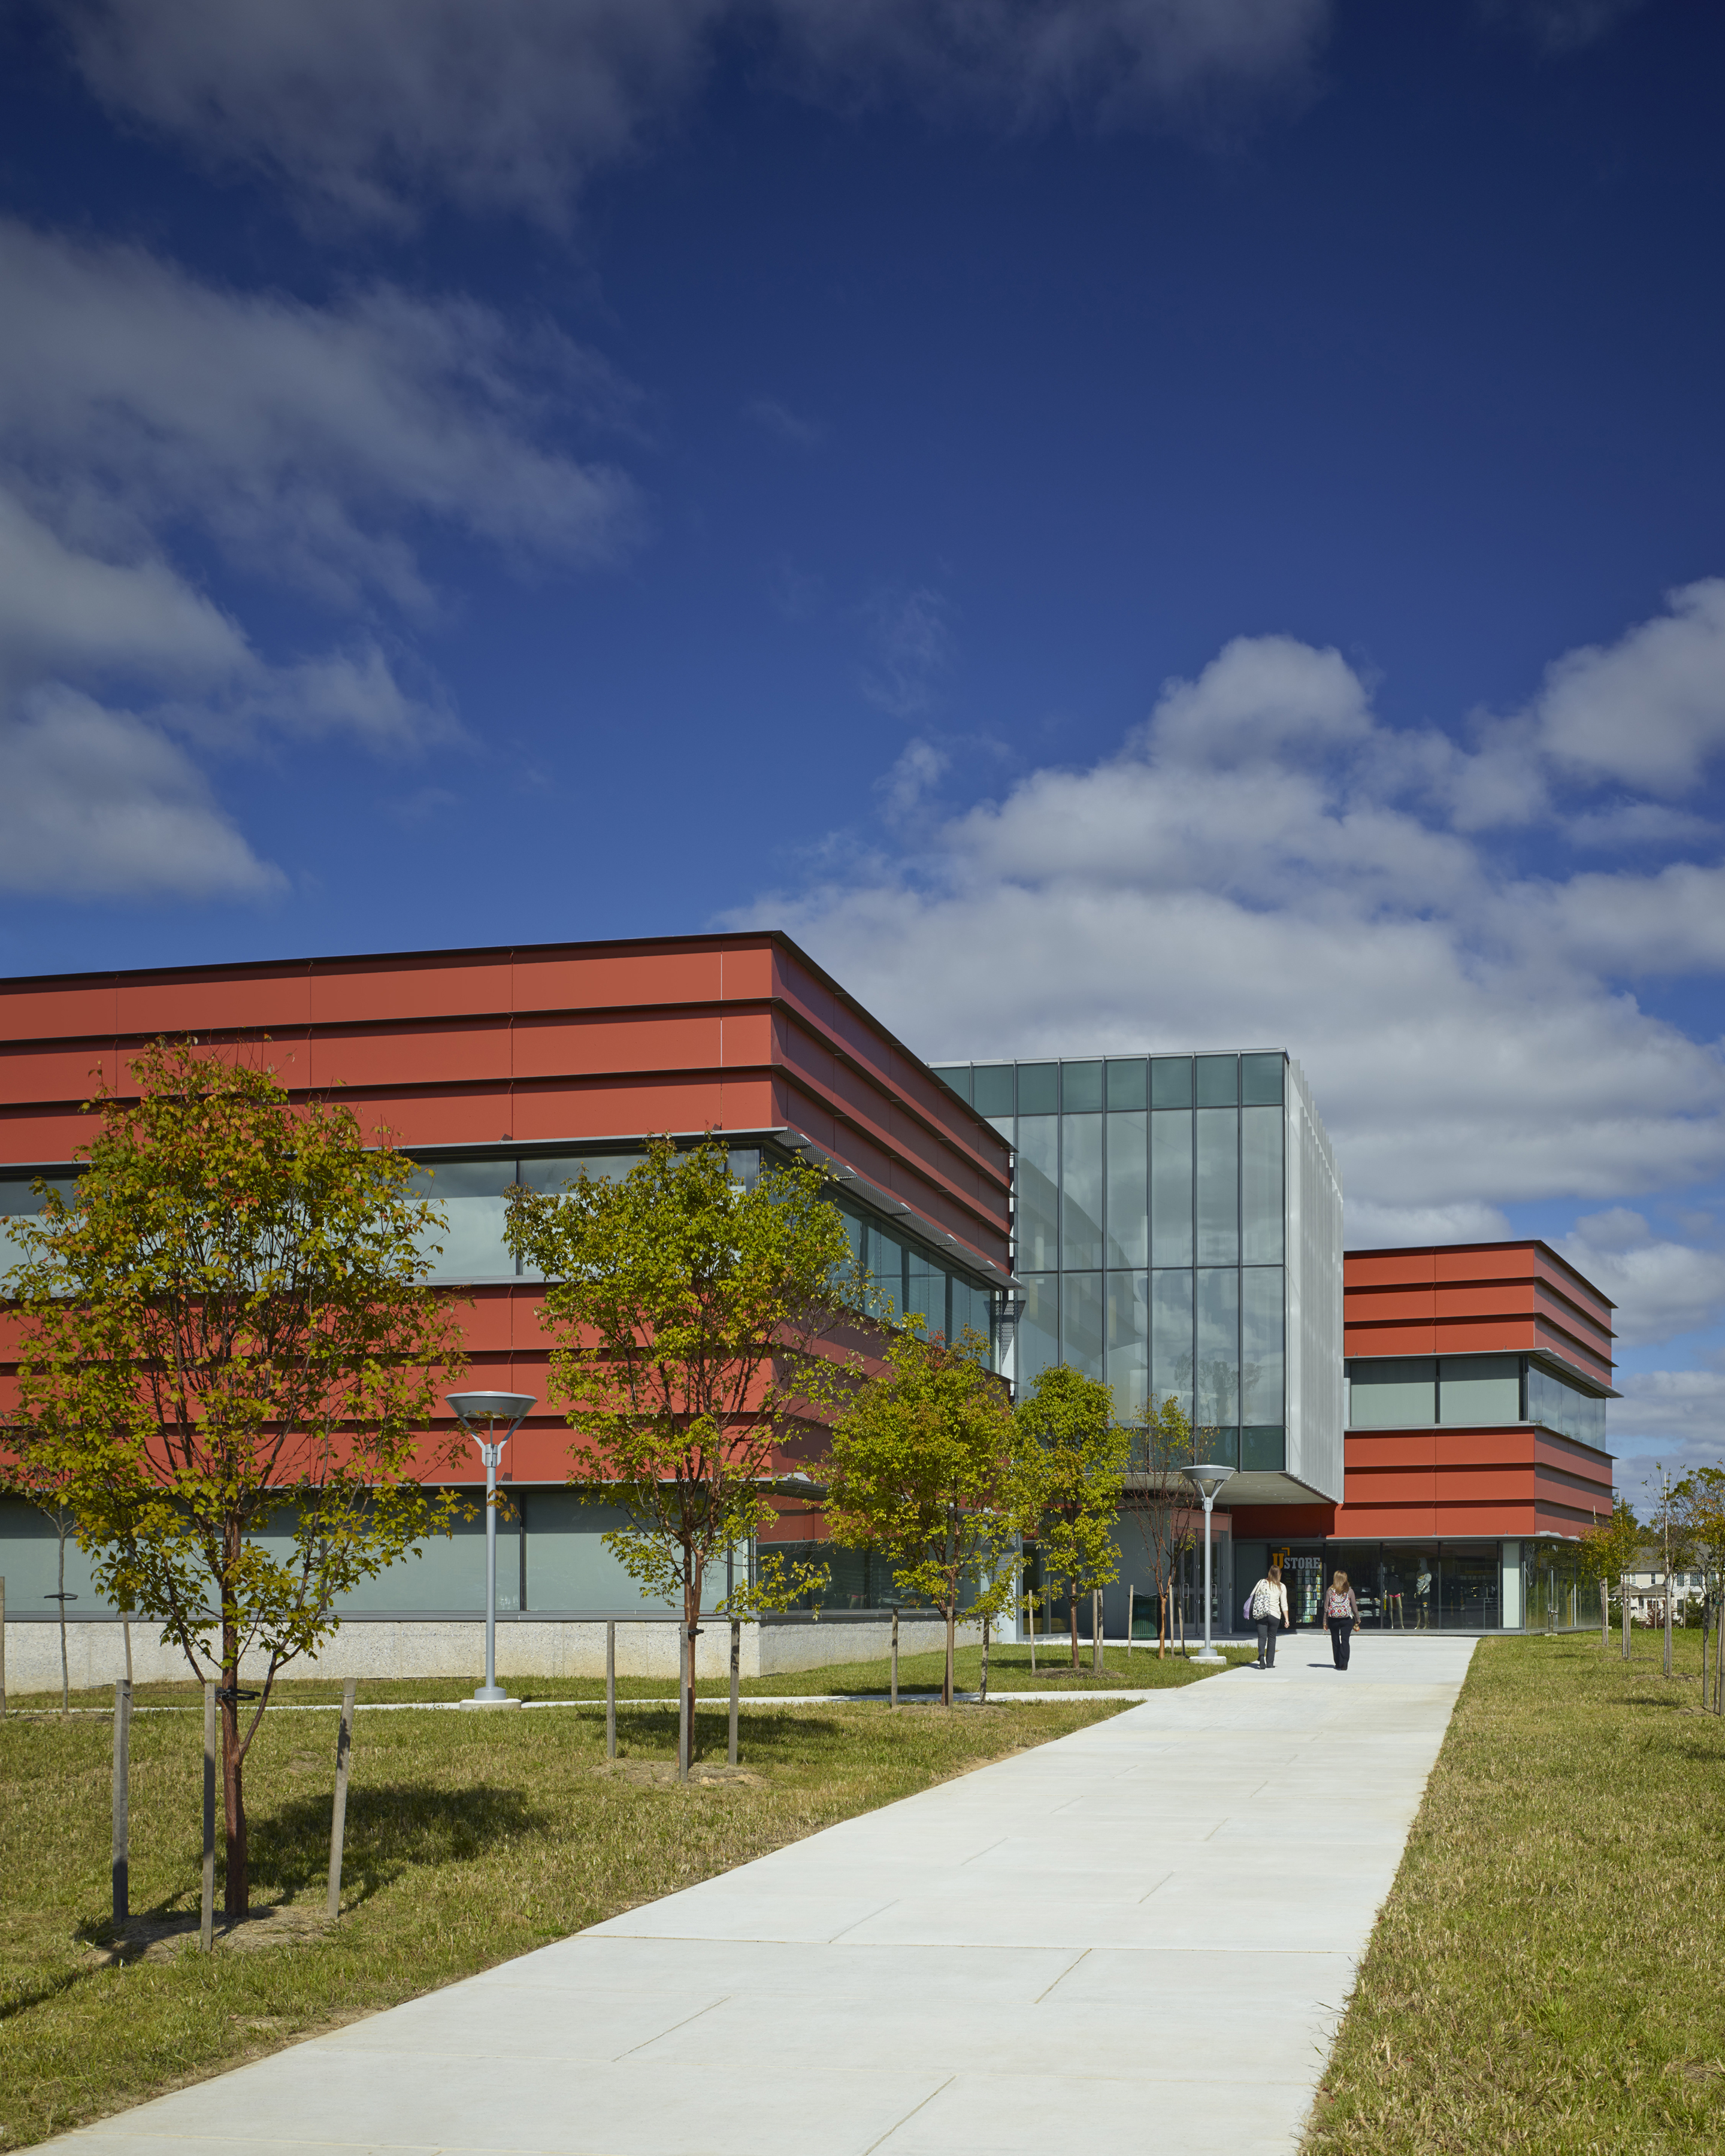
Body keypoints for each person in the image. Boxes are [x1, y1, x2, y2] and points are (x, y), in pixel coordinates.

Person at [1248, 1563, 1290, 1667]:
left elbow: (1252, 1595)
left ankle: (1261, 1656)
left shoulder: (1262, 1582)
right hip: (1275, 1615)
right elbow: (1284, 1604)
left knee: (1262, 1636)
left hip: (1262, 1613)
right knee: (1272, 1638)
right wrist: (1287, 1620)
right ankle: (1270, 1663)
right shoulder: (1282, 1587)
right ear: (1279, 1574)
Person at [1325, 1570, 1360, 1669]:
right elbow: (1354, 1607)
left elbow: (1326, 1608)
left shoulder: (1330, 1591)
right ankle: (1344, 1664)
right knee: (1345, 1640)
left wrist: (1325, 1622)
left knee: (1335, 1641)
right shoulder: (1349, 1591)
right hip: (1347, 1619)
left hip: (1333, 1619)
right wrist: (1358, 1619)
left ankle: (1337, 1663)